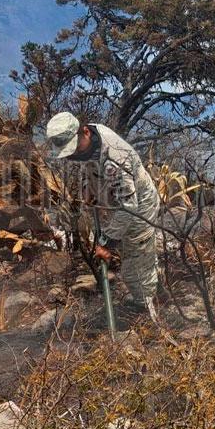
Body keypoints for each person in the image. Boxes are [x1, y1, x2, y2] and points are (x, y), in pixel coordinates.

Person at [46, 112, 161, 322]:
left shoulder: (115, 157)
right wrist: (88, 187)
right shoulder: (90, 141)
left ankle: (149, 314)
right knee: (135, 256)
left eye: (74, 148)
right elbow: (88, 165)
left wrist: (106, 243)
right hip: (119, 204)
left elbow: (129, 206)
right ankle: (148, 288)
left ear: (86, 132)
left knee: (134, 269)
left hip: (139, 210)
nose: (72, 155)